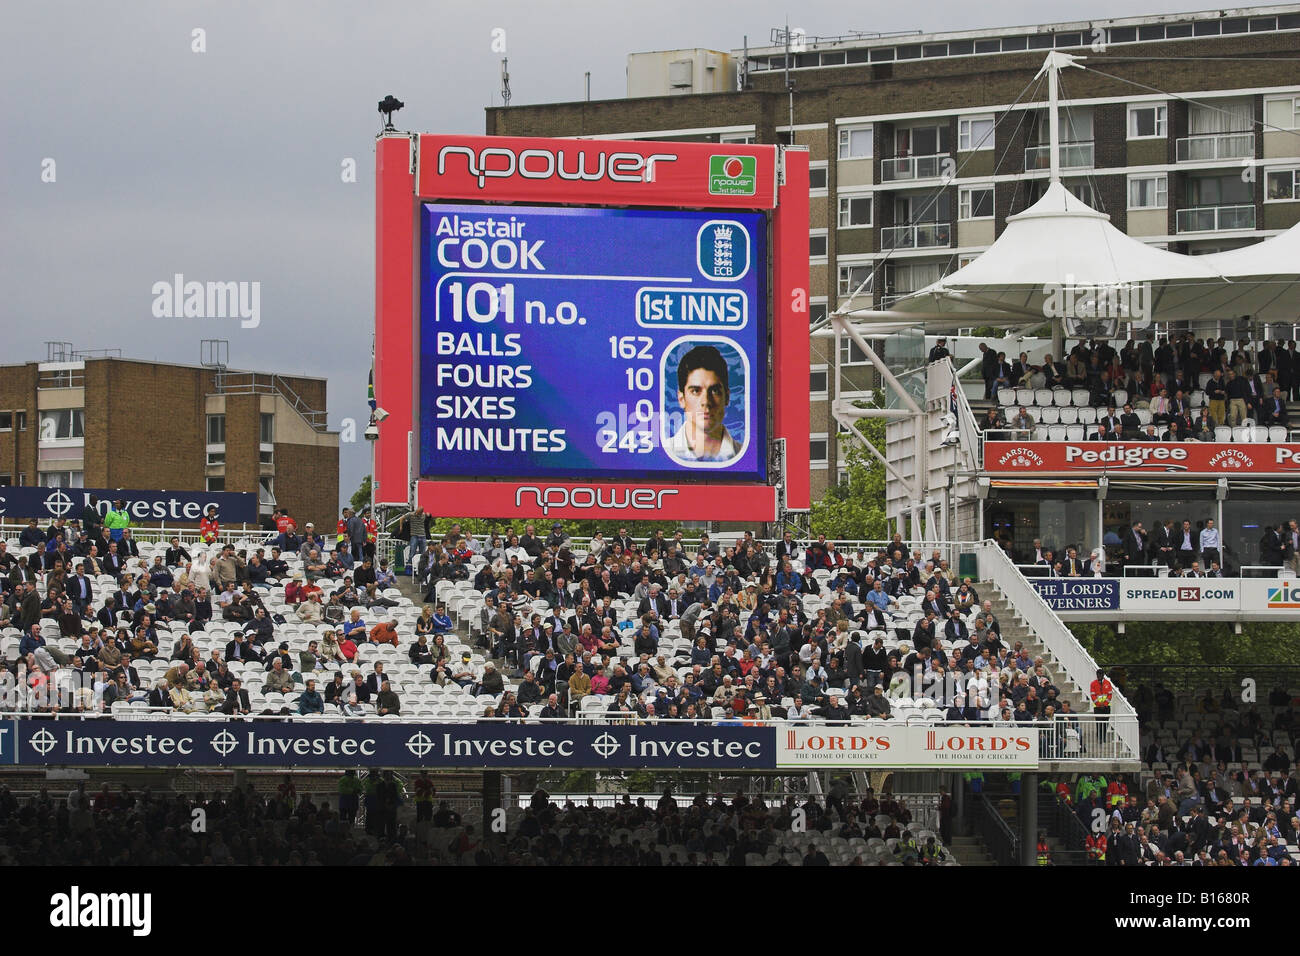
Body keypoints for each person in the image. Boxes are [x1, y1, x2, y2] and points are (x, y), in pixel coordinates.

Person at [664, 344, 740, 463]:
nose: (706, 402)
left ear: (727, 397)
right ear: (681, 399)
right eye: (695, 391)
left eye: (714, 391)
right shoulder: (663, 453)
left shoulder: (743, 454)